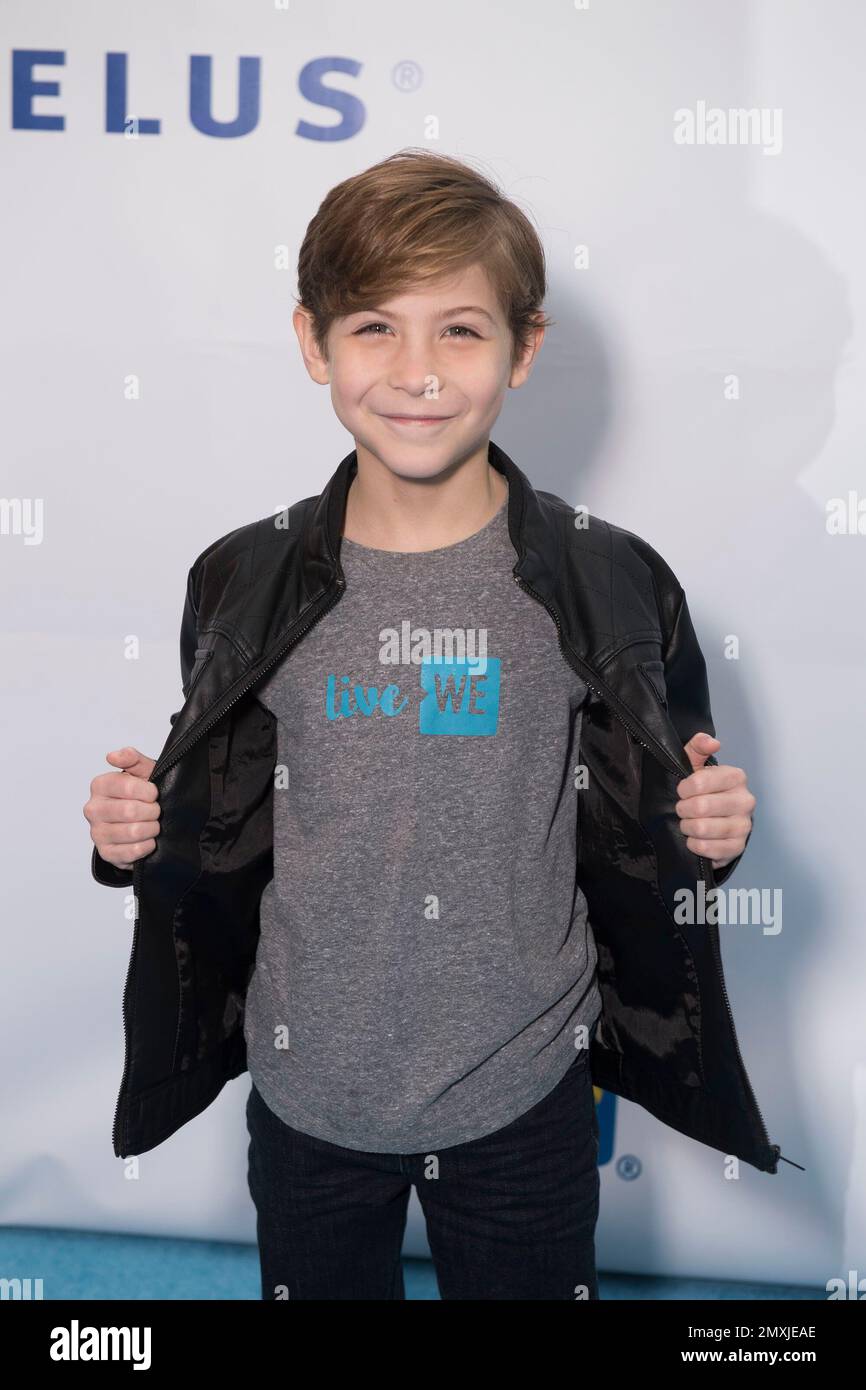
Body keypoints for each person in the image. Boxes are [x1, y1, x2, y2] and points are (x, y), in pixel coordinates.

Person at [83, 148, 766, 1301]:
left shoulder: (606, 576)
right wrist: (128, 834)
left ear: (523, 349)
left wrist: (710, 826)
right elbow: (210, 811)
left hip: (522, 1093)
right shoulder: (241, 574)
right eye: (372, 330)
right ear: (312, 343)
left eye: (458, 330)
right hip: (307, 1090)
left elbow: (663, 809)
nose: (416, 373)